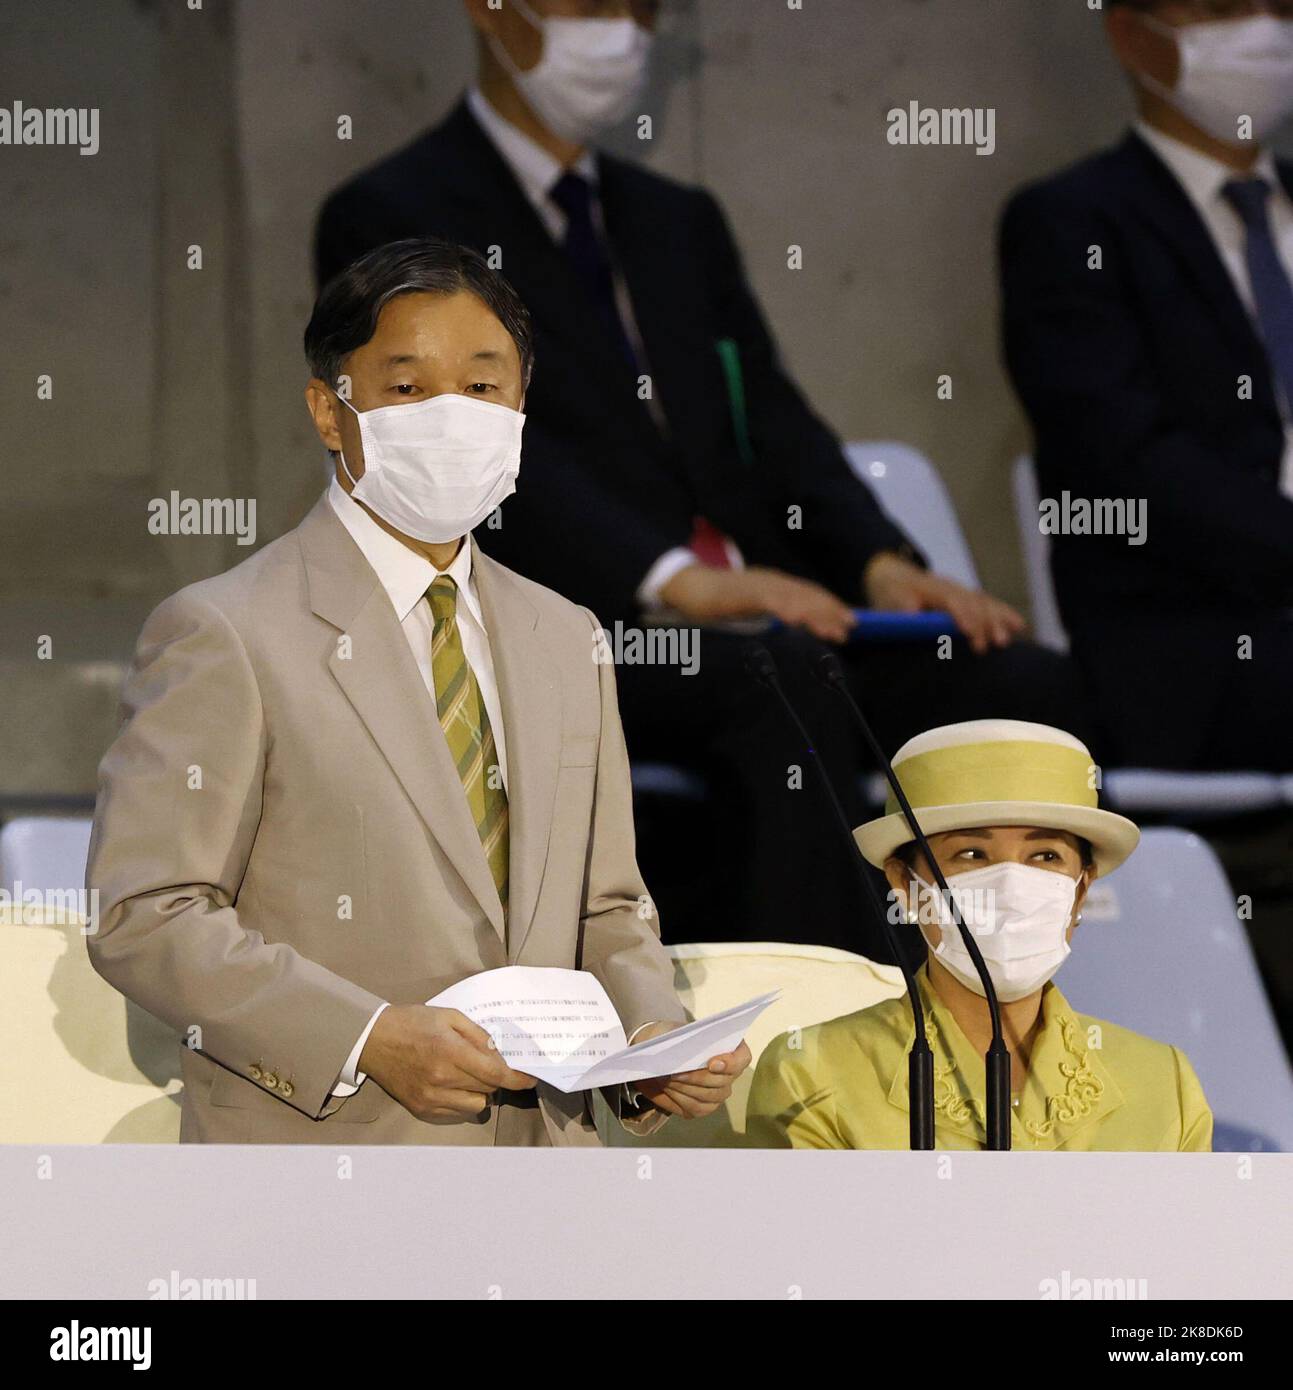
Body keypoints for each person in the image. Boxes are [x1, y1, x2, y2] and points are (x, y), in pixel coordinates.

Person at [314, 0, 1091, 951]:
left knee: (1019, 683)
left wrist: (881, 561)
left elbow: (769, 417)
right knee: (784, 681)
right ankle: (830, 1025)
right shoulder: (392, 211)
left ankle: (1032, 1019)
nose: (622, 32)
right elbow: (458, 446)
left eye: (639, 9)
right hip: (565, 630)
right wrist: (676, 580)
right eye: (589, 6)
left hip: (759, 616)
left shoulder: (672, 220)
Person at [86, 237, 750, 1145]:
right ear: (330, 410)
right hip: (330, 1162)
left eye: (482, 388)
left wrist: (651, 1040)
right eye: (406, 388)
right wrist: (369, 1037)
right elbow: (147, 912)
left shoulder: (566, 634)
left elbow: (605, 906)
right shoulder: (225, 630)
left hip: (547, 1172)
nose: (451, 415)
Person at [1000, 0, 1293, 771]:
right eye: (1225, 8)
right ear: (1130, 30)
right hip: (1195, 643)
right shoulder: (1072, 225)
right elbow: (1127, 463)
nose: (1263, 33)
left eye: (1284, 10)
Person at [745, 721, 1214, 1151]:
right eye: (972, 854)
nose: (1010, 887)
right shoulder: (809, 1073)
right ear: (906, 885)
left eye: (1045, 856)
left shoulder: (1164, 1084)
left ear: (1081, 890)